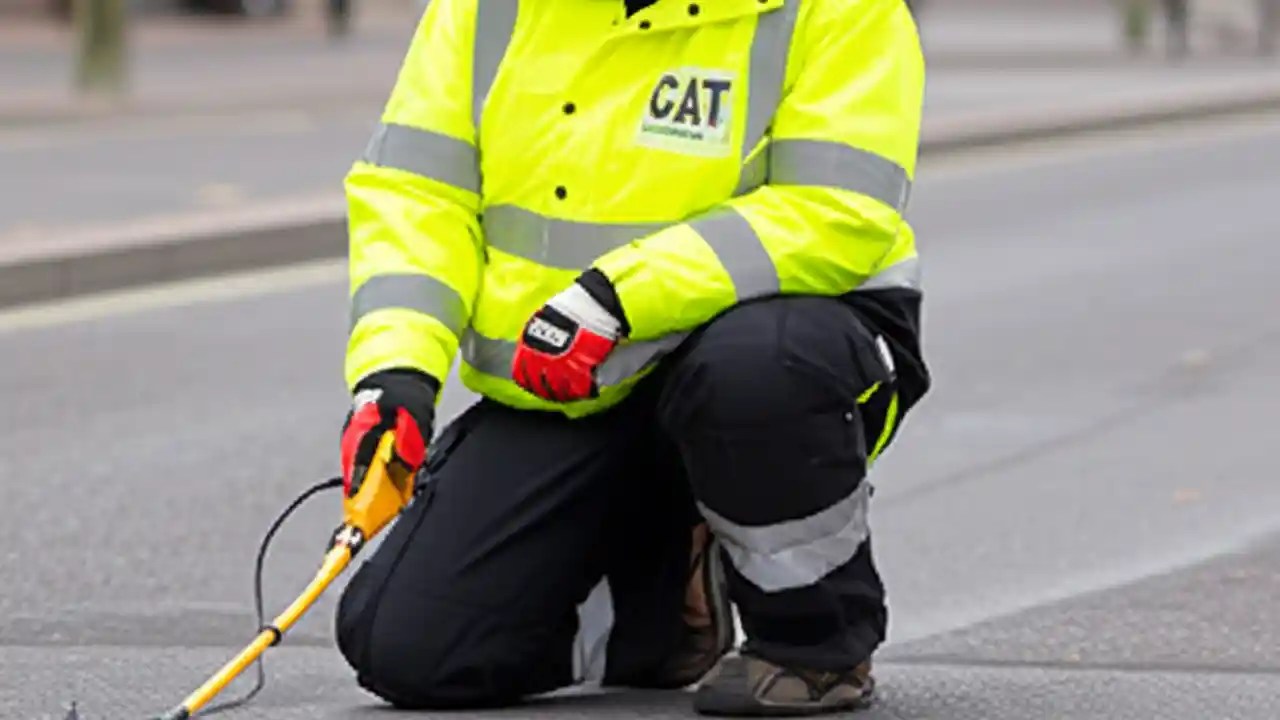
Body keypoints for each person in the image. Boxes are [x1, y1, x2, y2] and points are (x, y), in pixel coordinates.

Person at [333, 0, 929, 715]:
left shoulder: (837, 10)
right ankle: (665, 606)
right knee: (407, 647)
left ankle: (813, 645)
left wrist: (620, 298)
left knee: (753, 376)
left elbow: (837, 210)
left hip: (783, 353)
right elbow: (418, 195)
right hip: (577, 377)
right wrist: (397, 371)